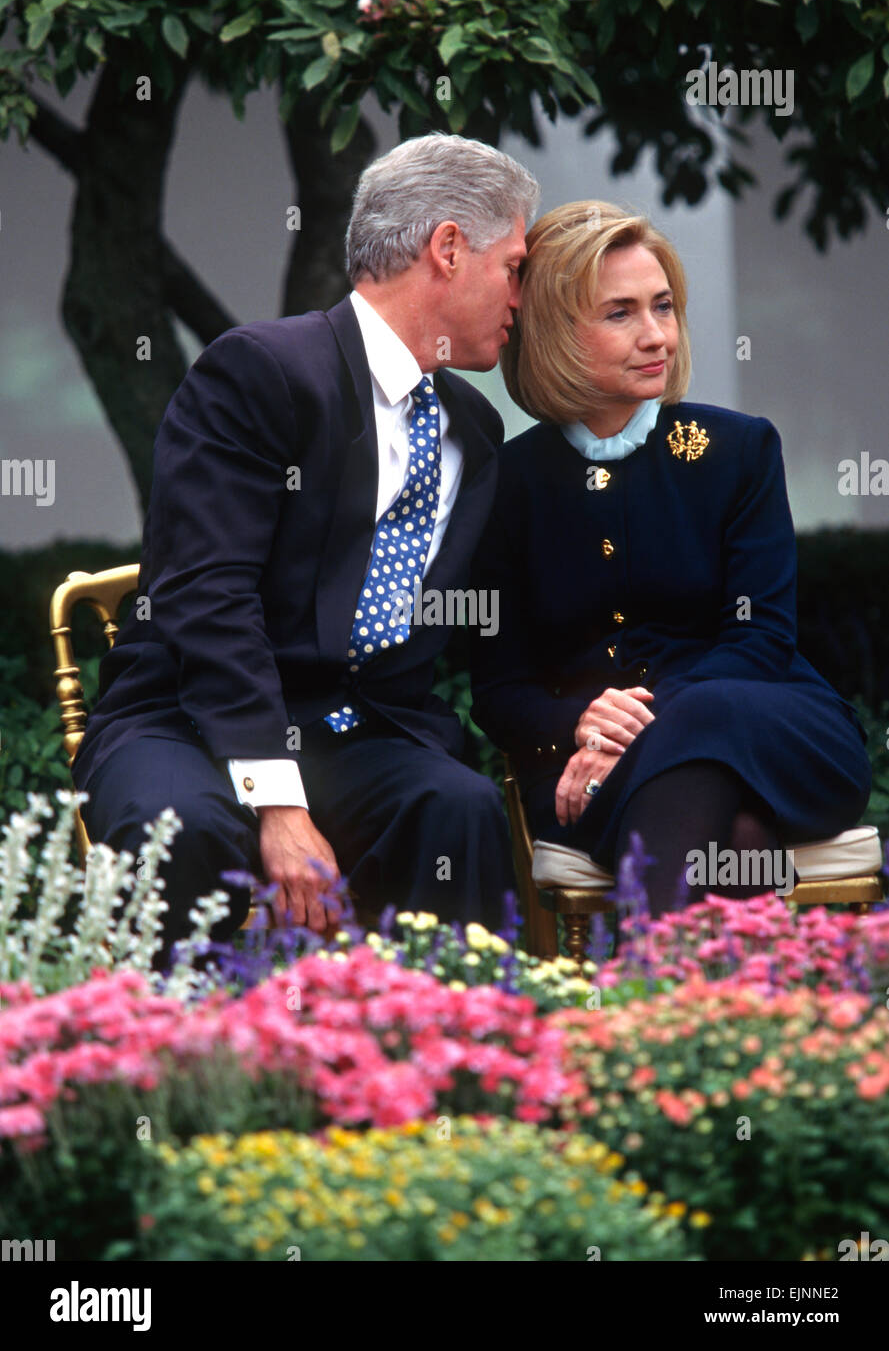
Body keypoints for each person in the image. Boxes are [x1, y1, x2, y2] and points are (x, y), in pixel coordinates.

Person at [72, 134, 540, 966]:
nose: (522, 298)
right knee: (183, 830)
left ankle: (449, 1074)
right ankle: (187, 1081)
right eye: (514, 267)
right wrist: (278, 803)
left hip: (349, 728)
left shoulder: (475, 428)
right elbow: (206, 599)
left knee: (457, 806)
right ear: (446, 248)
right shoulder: (261, 372)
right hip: (183, 719)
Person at [469, 200, 872, 917]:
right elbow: (501, 694)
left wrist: (624, 731)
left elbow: (760, 641)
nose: (655, 335)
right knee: (740, 842)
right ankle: (691, 1006)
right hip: (594, 775)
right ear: (555, 331)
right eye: (619, 313)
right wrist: (579, 726)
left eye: (663, 306)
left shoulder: (738, 451)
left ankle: (637, 1003)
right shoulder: (506, 485)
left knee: (710, 706)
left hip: (773, 731)